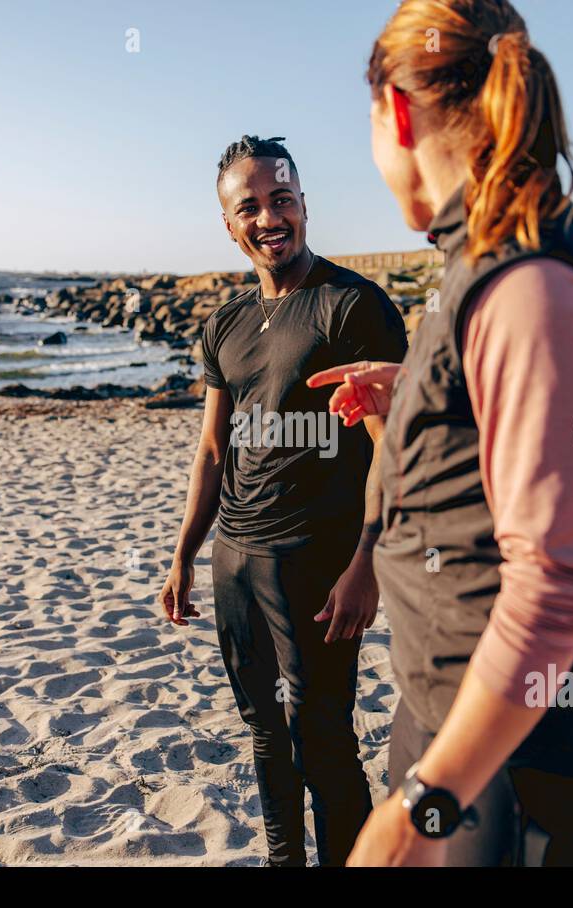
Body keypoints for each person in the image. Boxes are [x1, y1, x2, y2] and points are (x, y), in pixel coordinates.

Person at [307, 0, 573, 866]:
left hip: (521, 751)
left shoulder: (530, 276)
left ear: (396, 111)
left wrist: (423, 804)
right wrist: (420, 391)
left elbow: (559, 588)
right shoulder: (482, 252)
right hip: (456, 714)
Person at [159, 135, 408, 866]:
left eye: (282, 200)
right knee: (265, 732)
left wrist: (367, 562)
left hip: (320, 557)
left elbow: (388, 445)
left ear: (303, 206)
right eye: (250, 207)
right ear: (229, 226)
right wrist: (183, 555)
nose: (269, 218)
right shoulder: (224, 326)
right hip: (236, 558)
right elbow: (212, 450)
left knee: (323, 735)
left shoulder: (351, 307)